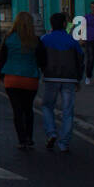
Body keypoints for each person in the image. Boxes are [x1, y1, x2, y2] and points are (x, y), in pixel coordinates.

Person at [36, 12, 85, 152]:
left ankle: (51, 132)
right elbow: (80, 60)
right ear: (64, 24)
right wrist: (78, 79)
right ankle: (64, 143)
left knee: (47, 106)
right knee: (68, 111)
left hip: (51, 78)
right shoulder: (72, 41)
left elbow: (40, 58)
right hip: (69, 79)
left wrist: (43, 71)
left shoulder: (45, 39)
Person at [0, 11, 41, 149]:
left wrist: (1, 76)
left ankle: (21, 140)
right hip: (30, 78)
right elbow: (41, 60)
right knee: (28, 109)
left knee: (17, 110)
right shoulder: (35, 40)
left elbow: (2, 58)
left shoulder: (8, 38)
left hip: (11, 78)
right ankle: (29, 137)